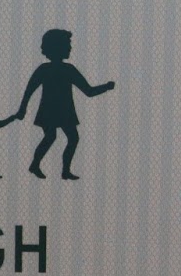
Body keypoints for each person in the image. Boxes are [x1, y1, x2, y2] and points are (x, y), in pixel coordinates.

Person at [14, 29, 115, 179]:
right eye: (67, 45)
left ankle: (59, 169)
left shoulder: (65, 69)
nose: (70, 48)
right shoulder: (52, 69)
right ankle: (41, 166)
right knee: (56, 137)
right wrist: (22, 108)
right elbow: (29, 90)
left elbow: (88, 91)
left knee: (64, 137)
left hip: (62, 110)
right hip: (53, 110)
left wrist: (105, 87)